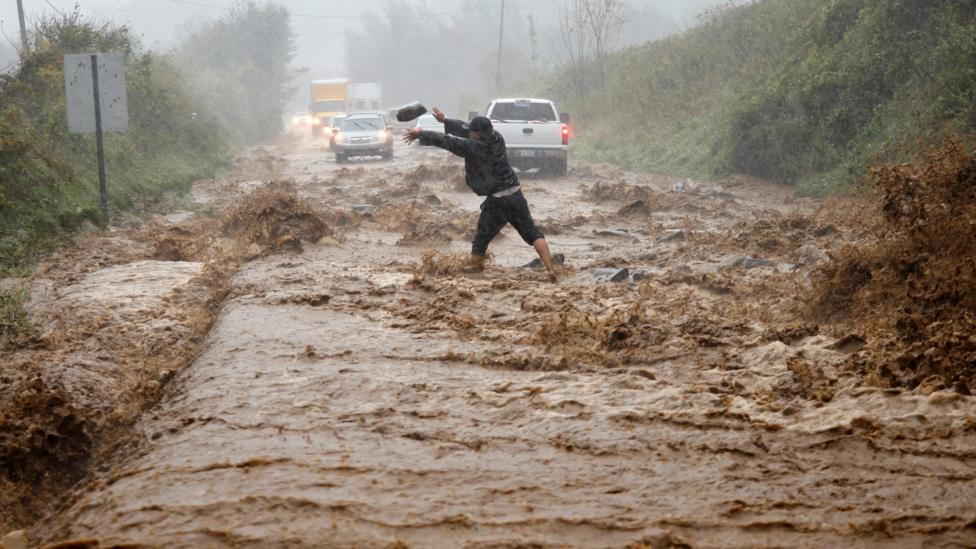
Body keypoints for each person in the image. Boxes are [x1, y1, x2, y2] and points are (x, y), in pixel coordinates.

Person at [404, 108, 559, 281]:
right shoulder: (497, 137)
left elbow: (446, 141)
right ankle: (550, 269)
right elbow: (464, 129)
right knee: (533, 234)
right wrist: (445, 120)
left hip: (497, 201)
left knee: (481, 238)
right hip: (515, 195)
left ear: (477, 134)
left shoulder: (472, 147)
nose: (469, 134)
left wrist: (421, 134)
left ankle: (474, 268)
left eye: (472, 133)